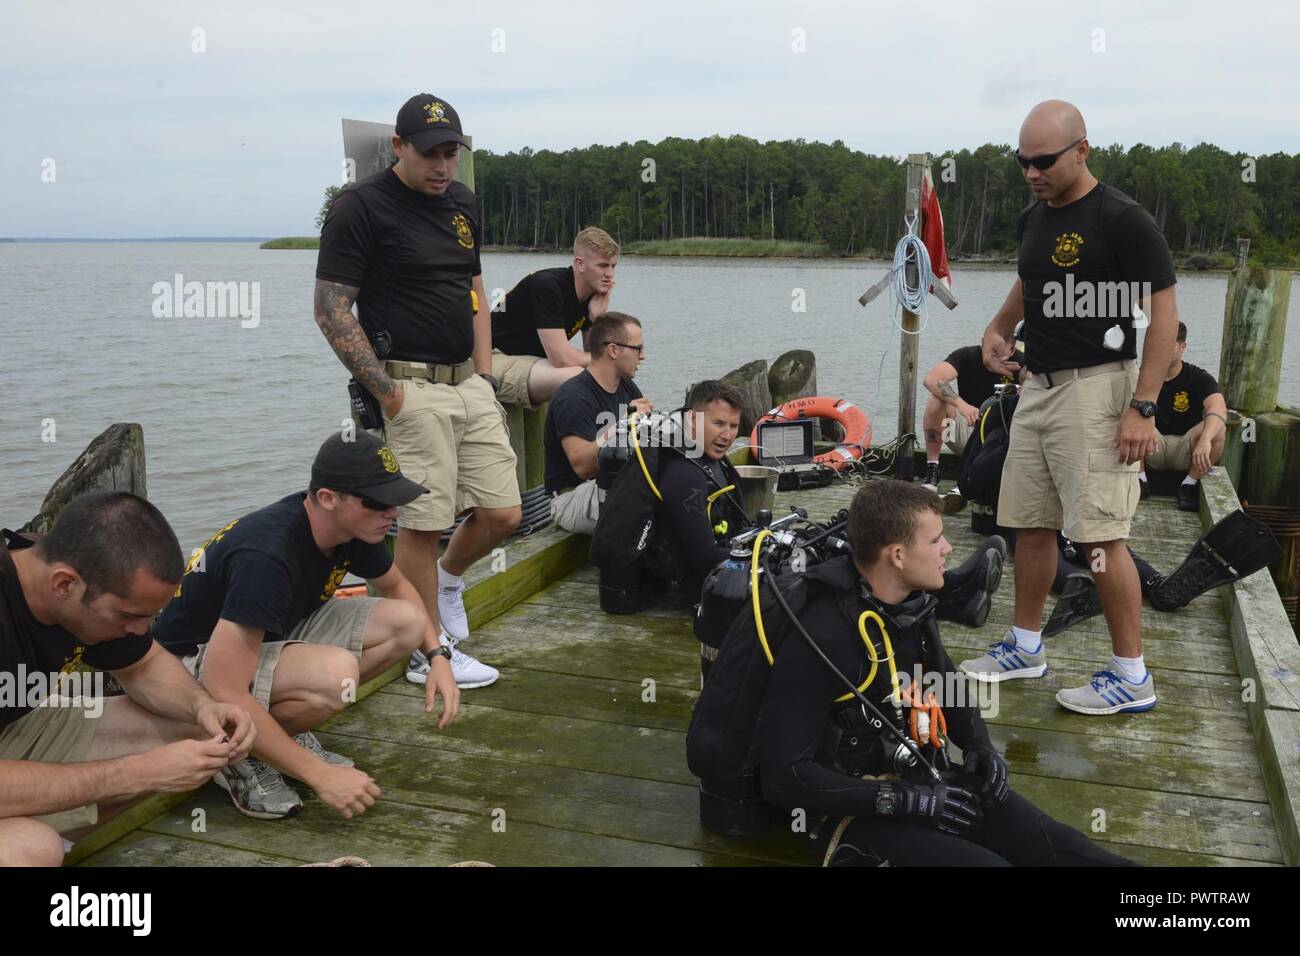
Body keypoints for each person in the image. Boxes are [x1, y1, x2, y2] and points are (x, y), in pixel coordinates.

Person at [754, 482, 1131, 865]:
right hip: (846, 812)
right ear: (898, 555)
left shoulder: (908, 607)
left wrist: (979, 747)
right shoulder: (821, 636)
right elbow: (785, 777)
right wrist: (901, 800)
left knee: (1066, 849)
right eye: (936, 541)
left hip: (921, 783)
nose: (948, 549)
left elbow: (948, 685)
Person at [961, 99, 1180, 716]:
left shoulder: (1124, 220)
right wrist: (999, 326)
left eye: (1044, 160)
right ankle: (1026, 646)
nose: (1032, 171)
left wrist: (1144, 406)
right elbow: (1028, 280)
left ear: (1082, 150)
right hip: (1038, 385)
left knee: (1100, 536)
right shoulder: (1037, 217)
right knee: (1030, 522)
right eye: (1023, 161)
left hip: (1099, 388)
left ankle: (1132, 676)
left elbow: (1163, 315)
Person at [314, 92, 518, 692]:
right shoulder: (360, 208)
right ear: (399, 147)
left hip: (468, 381)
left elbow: (474, 287)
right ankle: (426, 650)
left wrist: (483, 372)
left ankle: (449, 585)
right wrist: (388, 392)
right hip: (409, 386)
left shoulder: (463, 202)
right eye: (429, 153)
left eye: (451, 152)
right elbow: (331, 309)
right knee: (422, 526)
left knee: (503, 511)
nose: (442, 165)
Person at [151, 432, 460, 821]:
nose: (392, 512)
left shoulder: (353, 527)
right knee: (335, 678)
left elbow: (398, 586)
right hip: (190, 665)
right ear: (329, 498)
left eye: (395, 500)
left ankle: (280, 733)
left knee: (409, 624)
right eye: (379, 501)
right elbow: (223, 685)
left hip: (265, 637)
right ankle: (236, 753)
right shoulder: (267, 556)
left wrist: (438, 658)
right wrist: (320, 776)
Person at [1, 492, 256, 866]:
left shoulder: (66, 572)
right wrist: (142, 773)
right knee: (30, 849)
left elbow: (143, 663)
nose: (139, 629)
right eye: (128, 616)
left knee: (202, 736)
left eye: (148, 616)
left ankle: (47, 827)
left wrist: (203, 706)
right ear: (64, 584)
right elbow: (139, 772)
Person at [543, 312, 651, 534]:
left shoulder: (626, 387)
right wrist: (624, 424)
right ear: (613, 350)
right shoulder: (573, 396)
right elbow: (582, 466)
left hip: (614, 484)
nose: (643, 356)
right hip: (573, 496)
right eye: (637, 349)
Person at [489, 226, 619, 408]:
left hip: (529, 361)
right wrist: (607, 359)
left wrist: (596, 319)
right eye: (603, 266)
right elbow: (561, 358)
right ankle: (577, 435)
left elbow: (590, 353)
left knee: (606, 373)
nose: (610, 275)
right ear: (580, 264)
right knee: (578, 377)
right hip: (492, 359)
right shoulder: (549, 286)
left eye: (613, 266)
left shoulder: (590, 294)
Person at [655, 380, 749, 604]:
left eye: (733, 426)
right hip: (700, 588)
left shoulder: (712, 459)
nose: (727, 436)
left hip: (722, 561)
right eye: (718, 423)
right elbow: (703, 558)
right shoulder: (683, 472)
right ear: (692, 420)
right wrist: (762, 558)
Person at [1140, 321, 1226, 511]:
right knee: (1130, 419)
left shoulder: (1197, 376)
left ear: (1182, 346)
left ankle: (1189, 484)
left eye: (1167, 343)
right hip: (1153, 445)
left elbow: (1219, 409)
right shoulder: (1142, 376)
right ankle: (1140, 479)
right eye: (1157, 343)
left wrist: (1205, 439)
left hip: (1186, 448)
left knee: (1217, 430)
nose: (1160, 349)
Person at [920, 337, 1025, 492]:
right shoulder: (967, 355)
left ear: (1011, 349)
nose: (992, 355)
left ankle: (973, 478)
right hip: (967, 431)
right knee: (936, 400)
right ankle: (933, 470)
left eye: (999, 352)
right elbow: (931, 379)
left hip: (1002, 440)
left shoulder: (1021, 364)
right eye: (991, 348)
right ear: (983, 342)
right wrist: (962, 405)